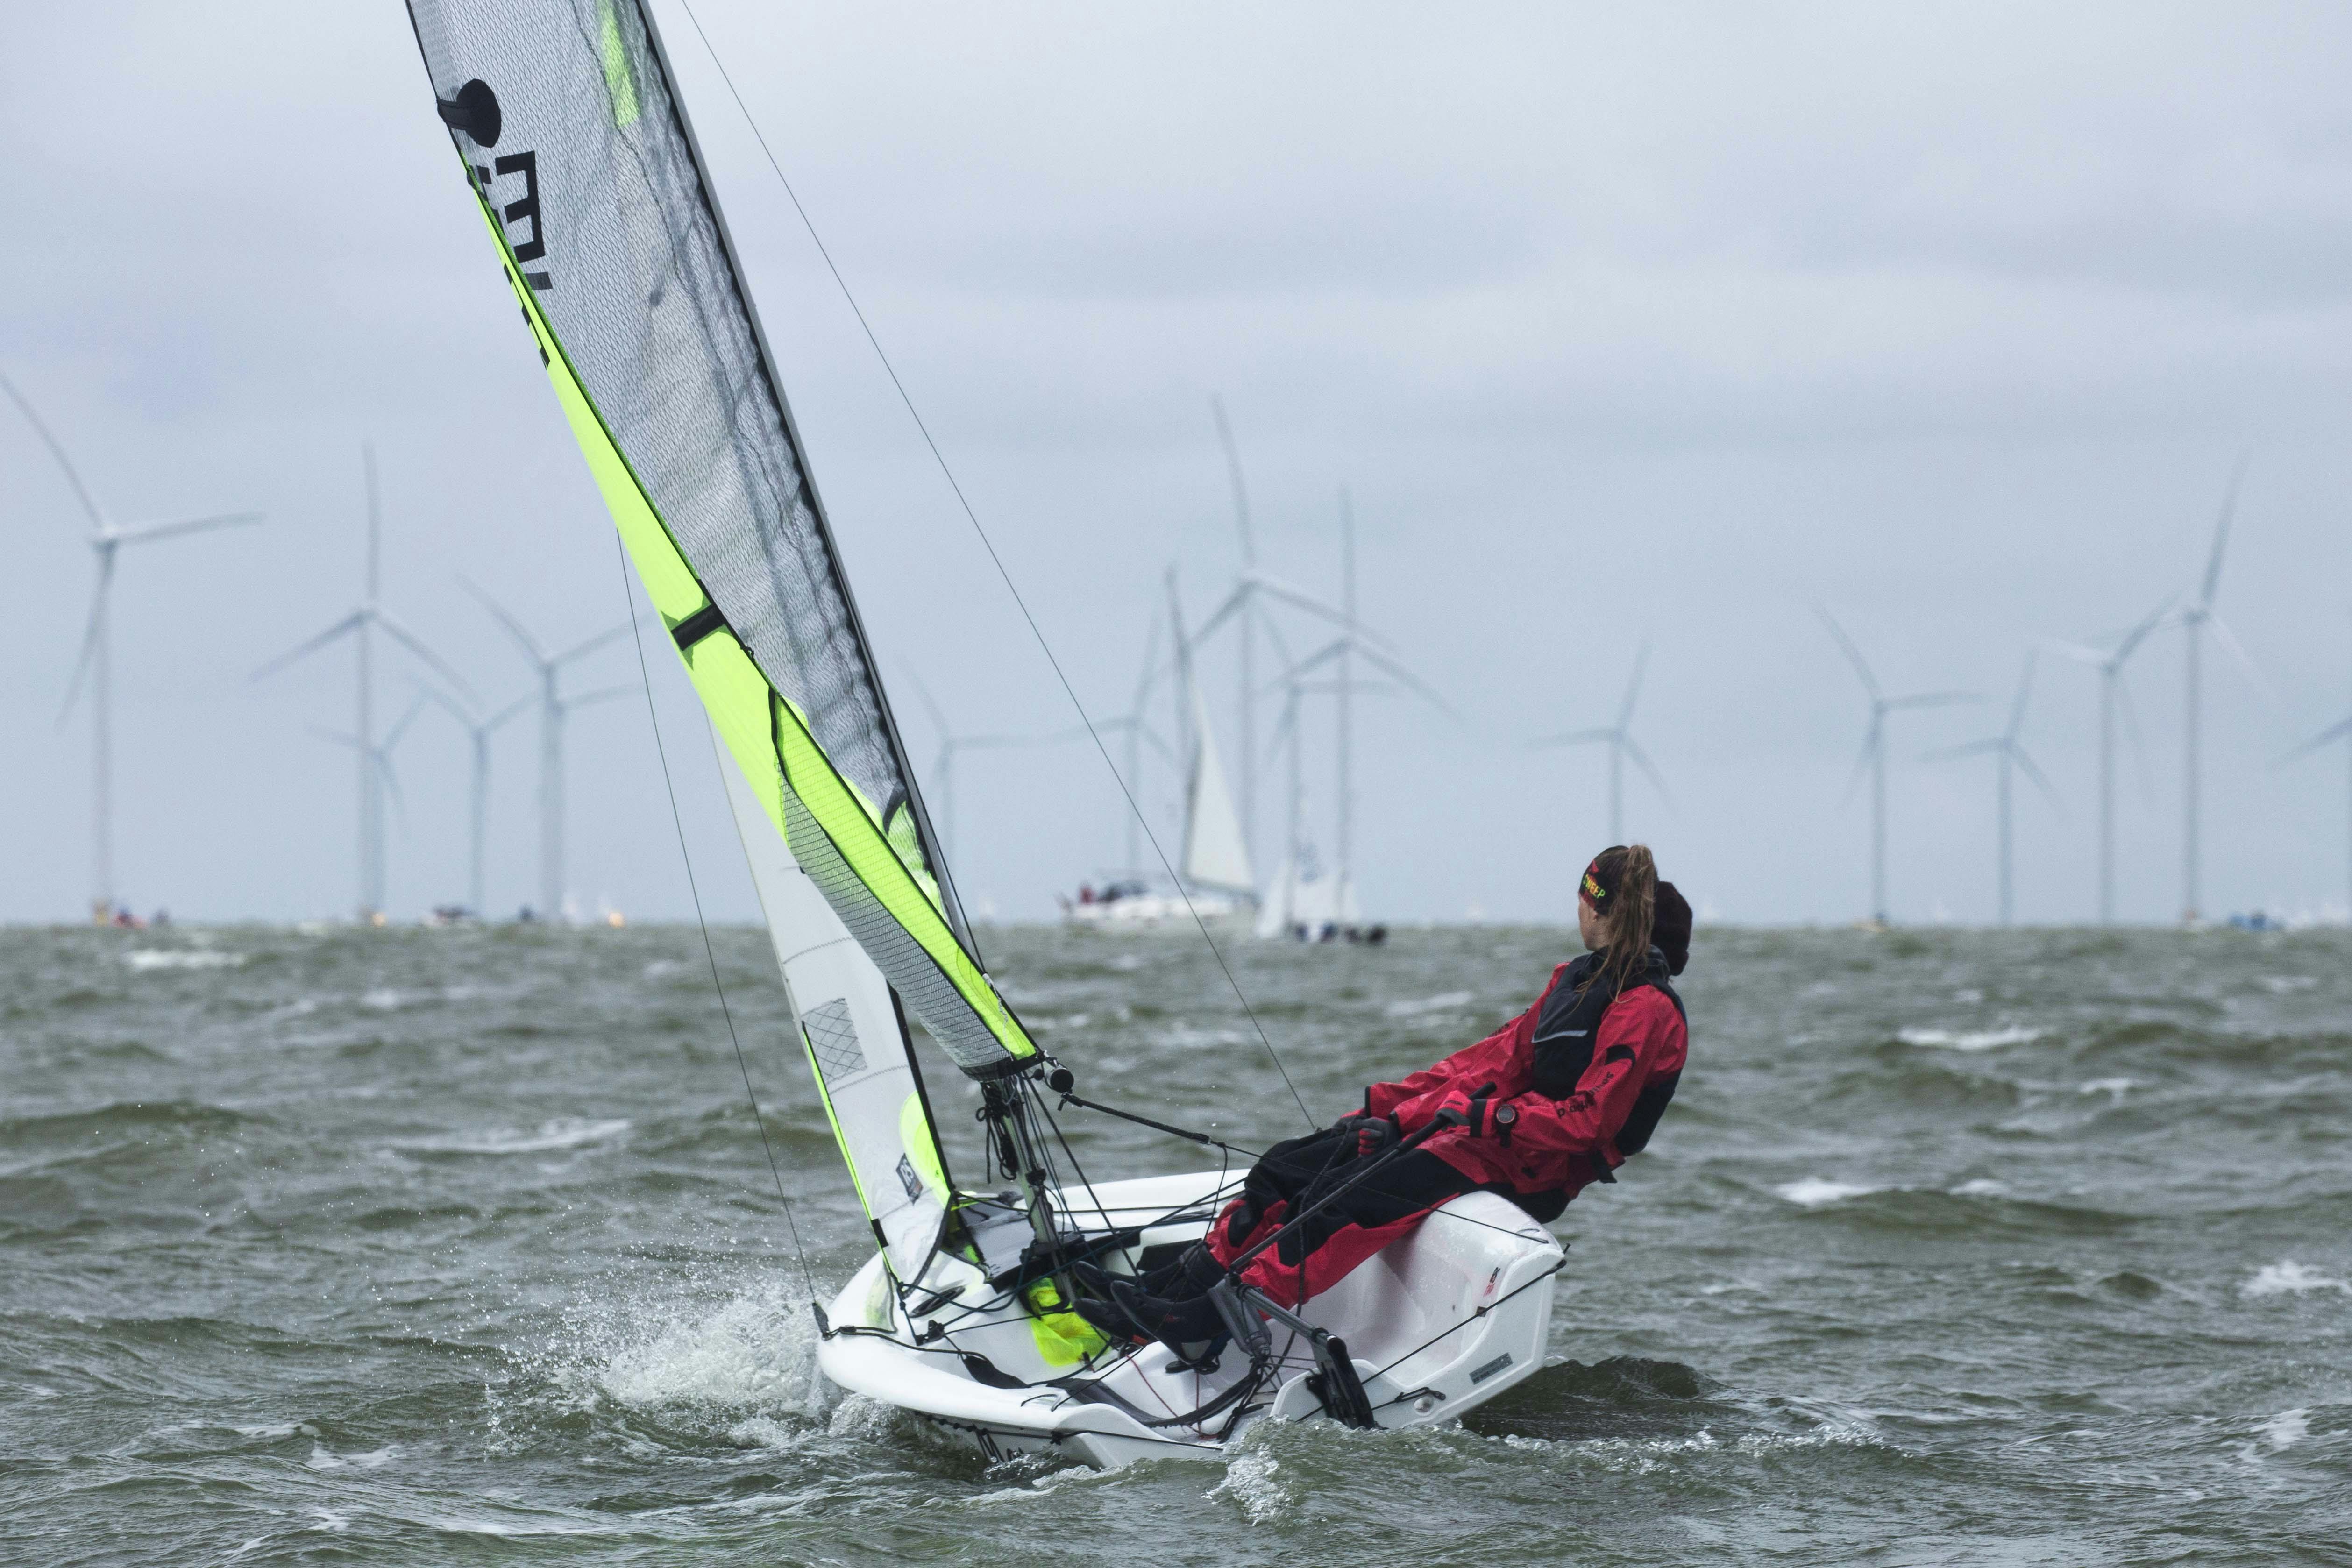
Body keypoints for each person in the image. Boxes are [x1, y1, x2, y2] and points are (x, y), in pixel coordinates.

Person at [1080, 844, 1692, 1358]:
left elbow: (1590, 1122)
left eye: (1583, 899)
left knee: (1343, 1200)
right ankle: (1182, 1287)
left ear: (1597, 906)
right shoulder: (1572, 980)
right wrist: (1390, 1109)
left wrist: (1491, 1116)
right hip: (1482, 1141)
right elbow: (1490, 1061)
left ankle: (1212, 1321)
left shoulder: (1645, 1010)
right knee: (1290, 1166)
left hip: (1532, 1171)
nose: (1577, 910)